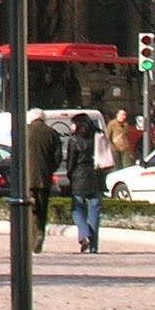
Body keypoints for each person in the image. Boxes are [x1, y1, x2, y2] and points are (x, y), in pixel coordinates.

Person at [24, 108, 61, 254]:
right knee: (42, 208)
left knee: (29, 209)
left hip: (26, 177)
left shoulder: (24, 132)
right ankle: (40, 233)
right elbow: (57, 157)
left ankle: (32, 238)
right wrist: (50, 169)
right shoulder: (52, 133)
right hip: (44, 177)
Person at [66, 111, 103, 253]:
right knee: (94, 210)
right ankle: (93, 246)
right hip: (96, 175)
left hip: (79, 176)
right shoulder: (97, 136)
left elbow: (71, 162)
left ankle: (85, 233)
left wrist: (70, 175)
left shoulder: (74, 140)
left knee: (77, 209)